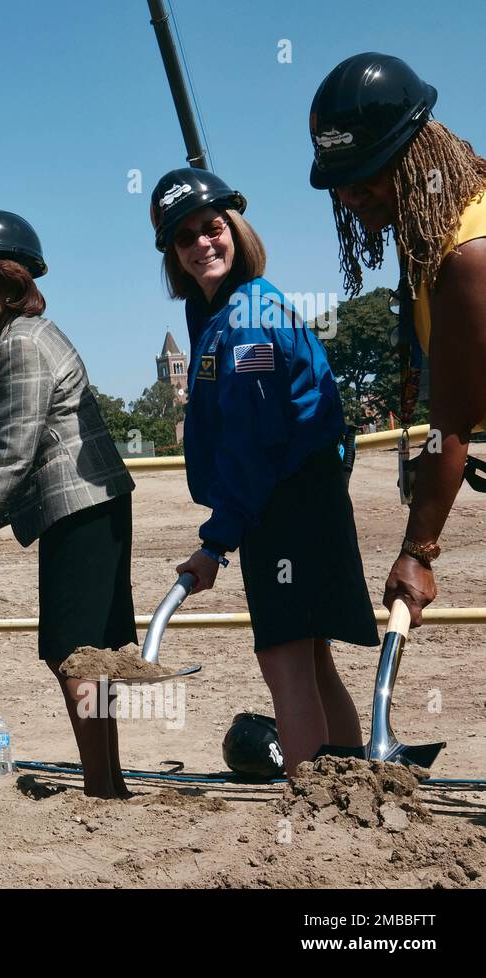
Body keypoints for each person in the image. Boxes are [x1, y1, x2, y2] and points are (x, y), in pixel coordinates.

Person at [147, 167, 378, 771]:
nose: (202, 243)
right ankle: (350, 783)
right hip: (294, 501)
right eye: (184, 237)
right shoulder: (225, 312)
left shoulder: (249, 322)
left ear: (236, 229)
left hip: (287, 507)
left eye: (212, 227)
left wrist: (216, 543)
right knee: (310, 656)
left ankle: (309, 804)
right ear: (172, 254)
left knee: (284, 659)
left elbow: (254, 439)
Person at [0, 210, 138, 798]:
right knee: (88, 654)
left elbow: (14, 457)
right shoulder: (30, 338)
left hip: (80, 509)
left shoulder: (19, 346)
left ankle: (103, 787)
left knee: (75, 654)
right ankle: (107, 781)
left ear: (11, 281)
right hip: (95, 507)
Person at [308, 52, 486, 628]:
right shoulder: (434, 243)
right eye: (340, 184)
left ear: (416, 155)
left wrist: (418, 552)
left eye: (367, 174)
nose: (352, 196)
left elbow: (454, 419)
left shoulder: (469, 252)